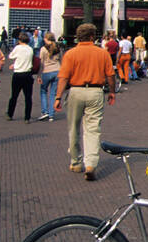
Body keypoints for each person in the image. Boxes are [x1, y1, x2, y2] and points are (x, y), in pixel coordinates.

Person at [54, 23, 117, 181]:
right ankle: (91, 164)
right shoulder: (102, 53)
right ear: (92, 36)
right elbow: (110, 75)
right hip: (96, 91)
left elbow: (63, 77)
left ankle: (76, 162)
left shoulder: (70, 53)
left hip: (76, 90)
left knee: (73, 128)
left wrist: (58, 97)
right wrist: (111, 92)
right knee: (93, 129)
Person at [6, 31, 37, 123]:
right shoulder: (30, 49)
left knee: (14, 95)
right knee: (28, 97)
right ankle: (27, 117)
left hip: (18, 74)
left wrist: (15, 63)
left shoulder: (18, 48)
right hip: (27, 74)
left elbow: (10, 56)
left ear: (19, 40)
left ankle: (10, 114)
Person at [38, 33, 62, 120]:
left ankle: (45, 111)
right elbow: (61, 59)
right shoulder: (58, 48)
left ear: (46, 39)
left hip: (46, 71)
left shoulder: (43, 49)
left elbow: (41, 63)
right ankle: (51, 114)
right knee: (53, 93)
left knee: (43, 91)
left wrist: (39, 75)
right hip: (57, 71)